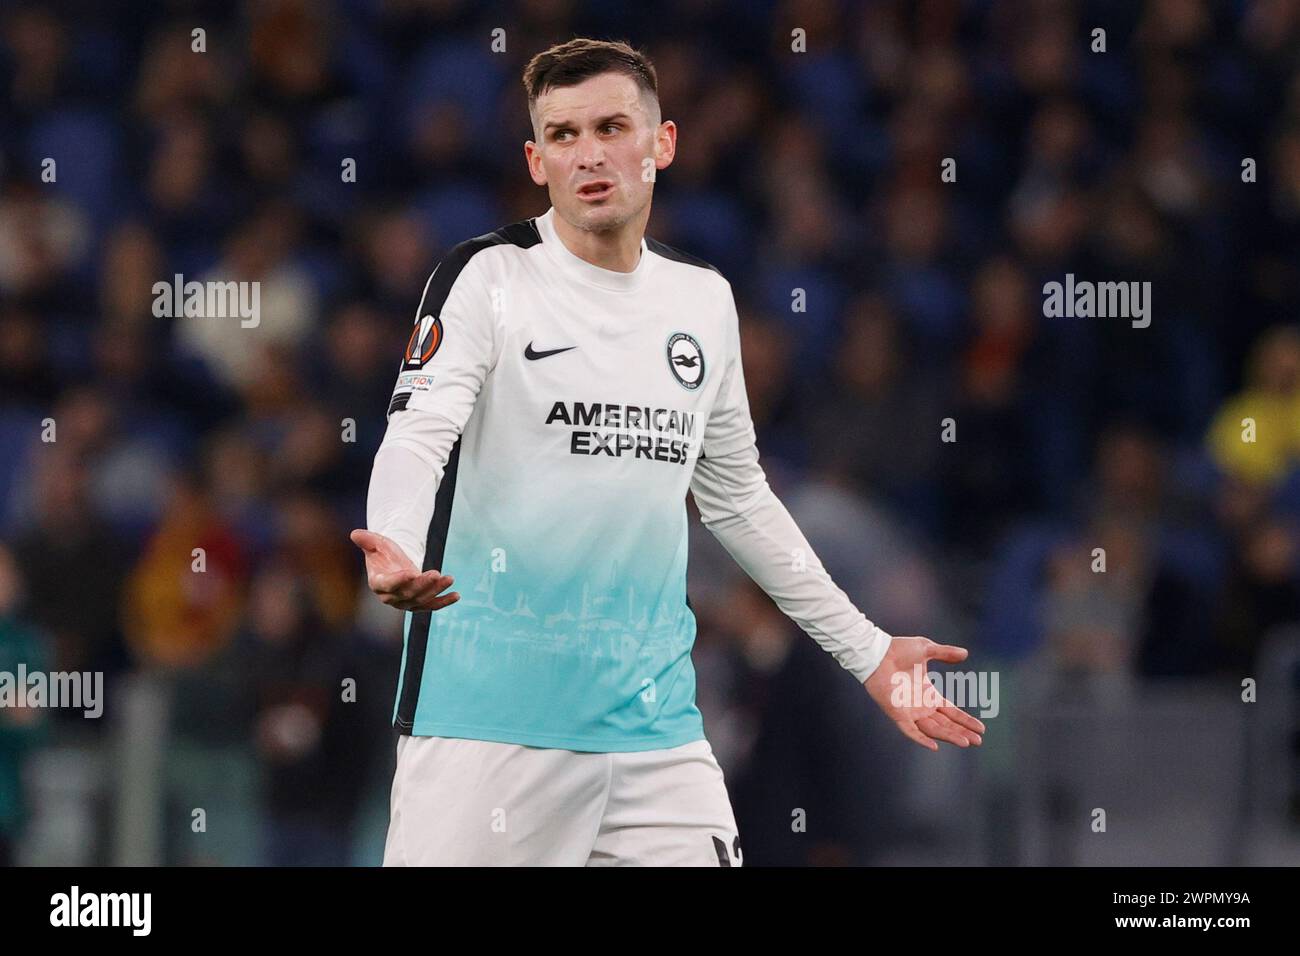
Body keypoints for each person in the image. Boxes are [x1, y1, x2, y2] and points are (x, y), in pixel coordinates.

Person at [352, 37, 985, 867]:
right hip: (488, 735)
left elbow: (738, 501)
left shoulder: (703, 303)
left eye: (612, 126)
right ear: (536, 161)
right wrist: (392, 541)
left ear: (663, 144)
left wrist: (867, 652)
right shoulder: (486, 279)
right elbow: (418, 431)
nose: (590, 153)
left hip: (656, 742)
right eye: (564, 135)